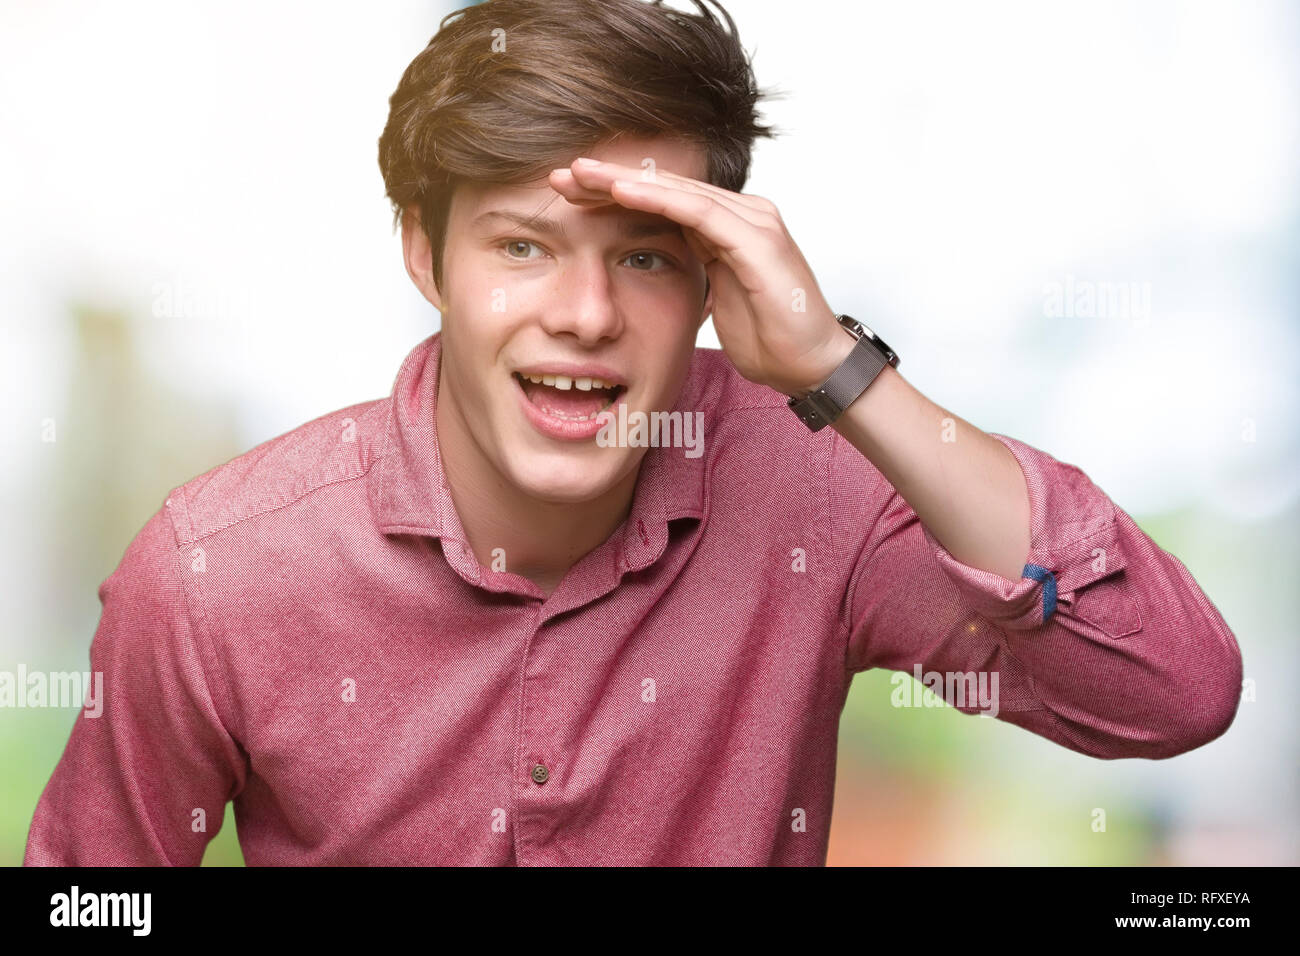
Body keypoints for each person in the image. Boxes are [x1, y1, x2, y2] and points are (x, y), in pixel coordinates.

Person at [25, 0, 1242, 866]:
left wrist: (837, 366)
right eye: (521, 245)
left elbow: (1170, 691)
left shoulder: (813, 486)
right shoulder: (217, 569)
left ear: (714, 276)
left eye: (647, 258)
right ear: (423, 254)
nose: (588, 314)